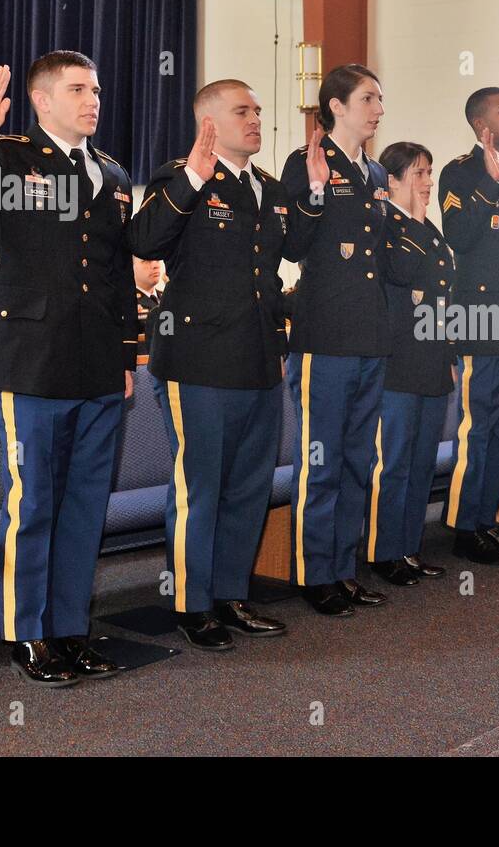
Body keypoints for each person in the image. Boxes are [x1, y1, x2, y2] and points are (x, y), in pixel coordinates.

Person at [0, 53, 137, 687]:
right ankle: (29, 635)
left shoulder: (112, 172)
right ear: (40, 100)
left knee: (85, 504)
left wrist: (124, 355)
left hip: (98, 363)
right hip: (31, 361)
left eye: (95, 88)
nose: (93, 99)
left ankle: (70, 629)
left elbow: (117, 273)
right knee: (34, 501)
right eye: (77, 89)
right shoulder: (8, 157)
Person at [130, 79, 289, 649]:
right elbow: (144, 239)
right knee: (200, 487)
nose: (255, 120)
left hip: (259, 358)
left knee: (249, 486)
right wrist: (193, 179)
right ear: (210, 123)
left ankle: (230, 594)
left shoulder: (266, 187)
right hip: (197, 361)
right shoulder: (181, 176)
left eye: (258, 110)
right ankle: (191, 604)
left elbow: (274, 266)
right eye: (242, 111)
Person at [280, 64, 399, 616]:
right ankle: (314, 574)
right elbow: (291, 242)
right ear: (336, 106)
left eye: (380, 98)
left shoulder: (375, 173)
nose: (378, 108)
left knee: (357, 460)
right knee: (321, 461)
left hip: (368, 337)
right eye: (369, 98)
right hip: (324, 337)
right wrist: (318, 190)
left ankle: (343, 568)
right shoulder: (307, 163)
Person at [439, 87, 499, 564]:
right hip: (481, 319)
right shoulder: (461, 172)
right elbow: (458, 235)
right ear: (483, 124)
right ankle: (462, 525)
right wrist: (489, 183)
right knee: (477, 427)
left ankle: (486, 519)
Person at [366, 142, 453, 586]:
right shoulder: (386, 226)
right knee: (394, 462)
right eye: (418, 174)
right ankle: (384, 552)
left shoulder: (430, 229)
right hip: (398, 362)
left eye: (430, 172)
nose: (428, 182)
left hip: (432, 362)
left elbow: (443, 296)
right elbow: (401, 271)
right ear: (393, 181)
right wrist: (416, 220)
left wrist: (449, 355)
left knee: (421, 463)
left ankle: (409, 547)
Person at [133, 256, 162, 355]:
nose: (155, 265)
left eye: (158, 259)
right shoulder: (126, 302)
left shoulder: (167, 297)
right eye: (146, 260)